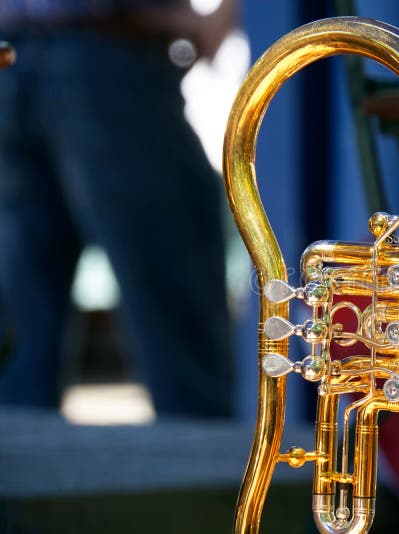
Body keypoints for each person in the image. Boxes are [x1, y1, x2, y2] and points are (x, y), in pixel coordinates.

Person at [0, 0, 237, 418]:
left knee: (21, 354)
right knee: (183, 355)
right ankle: (205, 478)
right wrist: (224, 15)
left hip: (35, 52)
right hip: (109, 50)